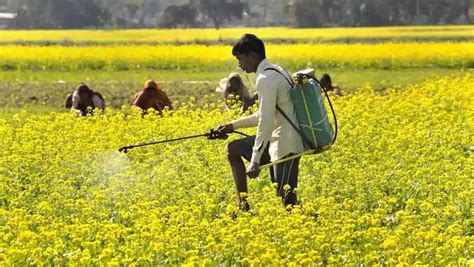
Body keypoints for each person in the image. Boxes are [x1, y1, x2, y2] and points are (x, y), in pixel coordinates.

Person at [217, 34, 305, 211]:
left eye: (240, 58)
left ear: (253, 56)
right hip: (275, 140)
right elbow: (263, 114)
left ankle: (312, 225)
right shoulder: (275, 70)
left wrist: (255, 160)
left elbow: (264, 122)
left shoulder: (266, 79)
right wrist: (232, 125)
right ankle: (243, 204)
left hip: (286, 143)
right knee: (233, 149)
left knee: (287, 199)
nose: (239, 64)